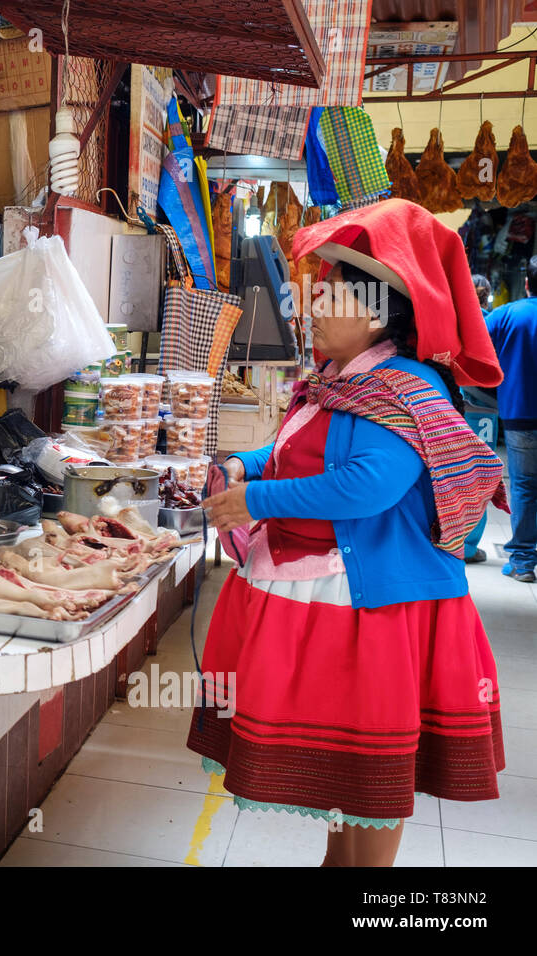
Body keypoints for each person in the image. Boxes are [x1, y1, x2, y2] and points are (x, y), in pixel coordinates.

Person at [195, 199, 508, 867]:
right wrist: (239, 466)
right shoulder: (337, 382)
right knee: (349, 781)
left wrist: (257, 499)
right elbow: (290, 450)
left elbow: (368, 486)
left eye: (331, 293)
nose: (311, 305)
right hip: (332, 601)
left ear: (376, 312)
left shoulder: (409, 389)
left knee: (374, 783)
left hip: (378, 612)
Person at [481, 257, 537, 583]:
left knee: (526, 487)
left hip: (519, 412)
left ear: (527, 283)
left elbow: (475, 345)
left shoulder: (508, 314)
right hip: (519, 414)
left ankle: (522, 562)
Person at [461, 273, 497, 563]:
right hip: (485, 411)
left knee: (452, 472)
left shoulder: (457, 322)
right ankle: (470, 546)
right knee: (481, 476)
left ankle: (450, 539)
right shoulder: (494, 323)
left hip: (456, 405)